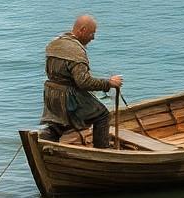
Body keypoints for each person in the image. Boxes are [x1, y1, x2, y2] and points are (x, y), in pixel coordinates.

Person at [40, 15, 122, 149]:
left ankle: (44, 144)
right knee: (102, 115)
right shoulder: (75, 51)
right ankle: (102, 150)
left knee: (59, 124)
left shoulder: (56, 43)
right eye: (92, 33)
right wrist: (109, 83)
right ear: (82, 30)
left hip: (51, 94)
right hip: (68, 97)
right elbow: (83, 82)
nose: (93, 38)